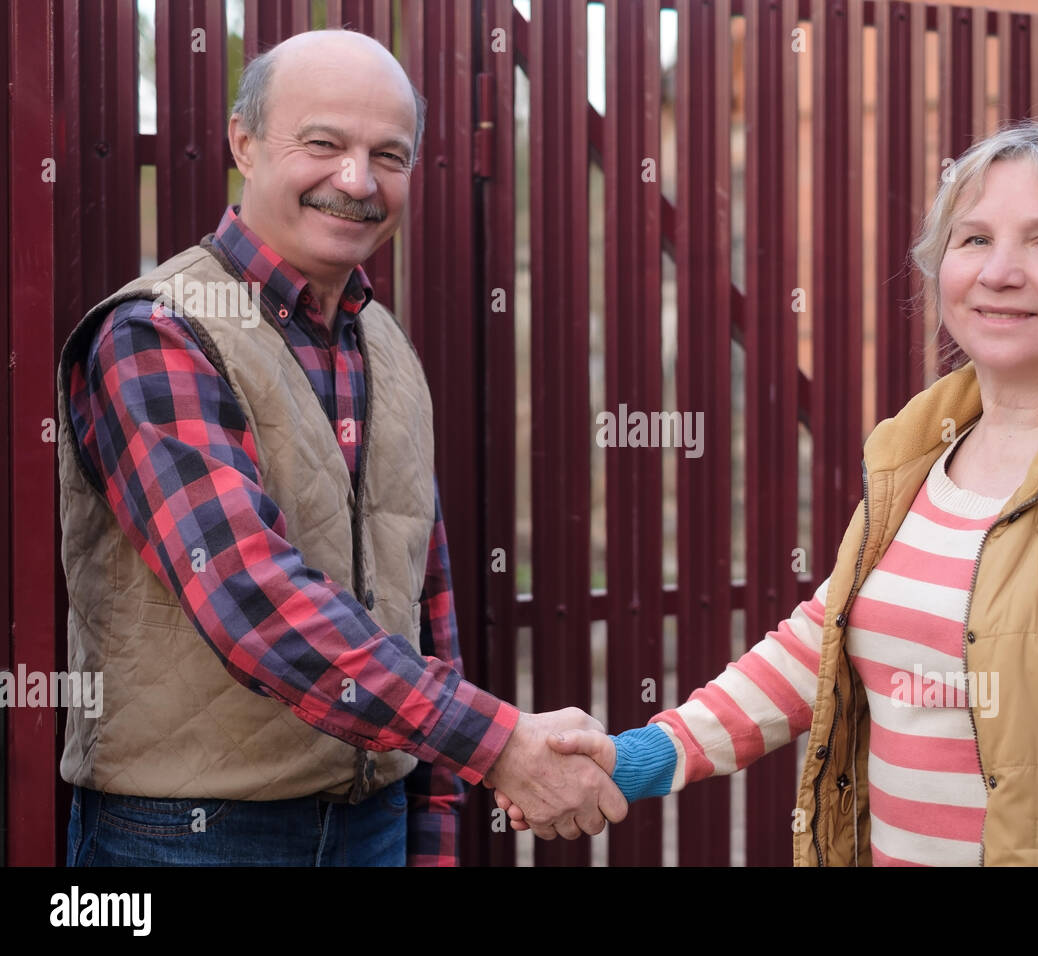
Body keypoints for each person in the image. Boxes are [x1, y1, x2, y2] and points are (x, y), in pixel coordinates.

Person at [498, 120, 1038, 866]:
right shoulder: (925, 455)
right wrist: (636, 759)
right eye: (974, 239)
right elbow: (820, 643)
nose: (1000, 272)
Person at [57, 28, 622, 867]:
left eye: (388, 156)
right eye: (323, 144)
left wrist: (430, 832)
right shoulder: (157, 334)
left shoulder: (384, 345)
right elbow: (250, 598)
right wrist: (500, 743)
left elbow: (425, 615)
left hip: (374, 825)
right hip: (191, 838)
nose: (357, 181)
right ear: (245, 143)